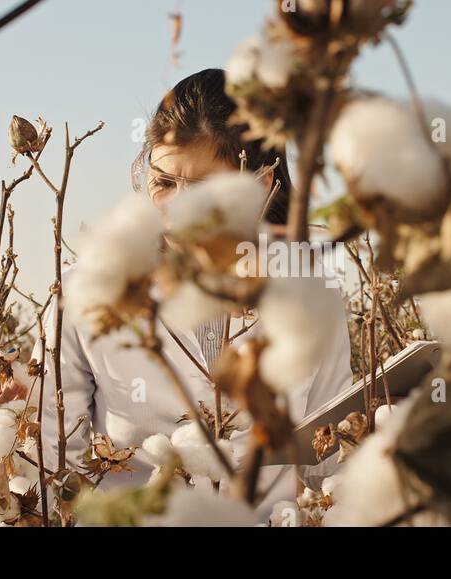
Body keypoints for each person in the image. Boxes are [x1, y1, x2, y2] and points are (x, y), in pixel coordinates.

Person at [35, 68, 353, 521]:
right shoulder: (87, 292)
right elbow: (48, 464)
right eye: (163, 184)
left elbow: (328, 458)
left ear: (260, 186)